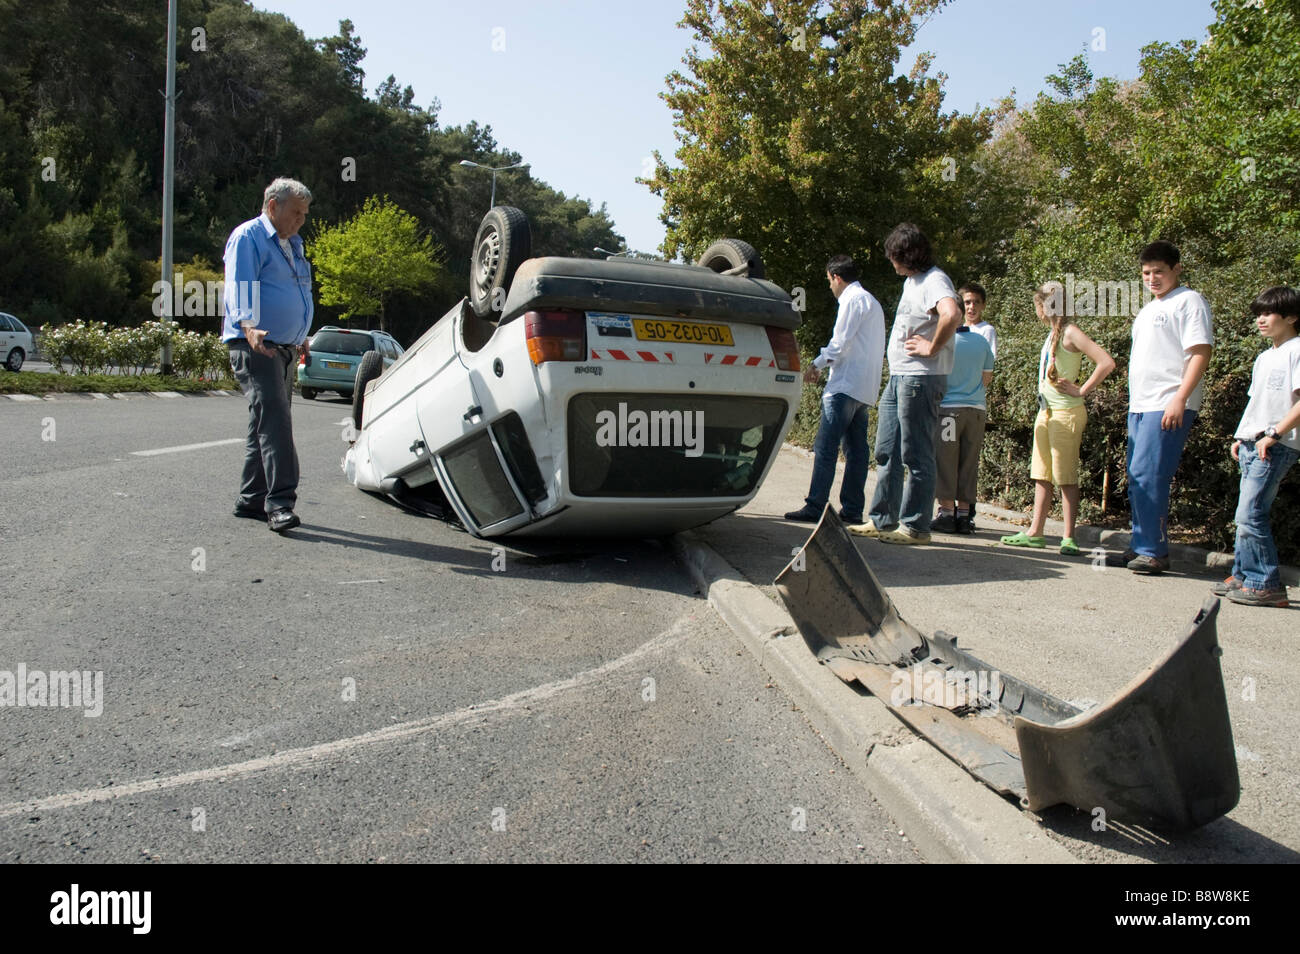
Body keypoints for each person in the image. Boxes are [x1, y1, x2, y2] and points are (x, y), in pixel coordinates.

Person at [852, 223, 961, 544]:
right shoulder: (914, 281)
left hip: (920, 379)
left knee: (916, 454)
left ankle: (915, 527)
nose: (890, 262)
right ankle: (882, 519)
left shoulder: (935, 280)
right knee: (887, 450)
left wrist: (932, 347)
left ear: (908, 255)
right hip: (901, 377)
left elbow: (951, 314)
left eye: (893, 257)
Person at [222, 177, 314, 533]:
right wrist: (248, 324)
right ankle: (279, 504)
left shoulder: (293, 243)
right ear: (273, 206)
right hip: (255, 344)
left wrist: (300, 334)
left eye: (305, 214)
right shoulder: (249, 237)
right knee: (275, 420)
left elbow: (297, 289)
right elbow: (239, 286)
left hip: (284, 347)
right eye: (296, 213)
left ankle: (251, 498)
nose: (301, 220)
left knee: (264, 420)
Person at [1000, 284, 1115, 554]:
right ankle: (1035, 532)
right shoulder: (1052, 334)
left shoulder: (1070, 332)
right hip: (1046, 412)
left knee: (1065, 476)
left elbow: (1106, 362)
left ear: (1043, 306)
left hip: (1066, 413)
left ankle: (1068, 536)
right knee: (1042, 474)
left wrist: (1082, 390)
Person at [1123, 240, 1213, 573]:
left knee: (1150, 476)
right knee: (1136, 476)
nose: (1152, 278)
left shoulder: (1189, 301)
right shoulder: (1147, 310)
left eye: (1159, 271)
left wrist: (1179, 398)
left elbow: (1200, 352)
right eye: (1146, 273)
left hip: (1168, 402)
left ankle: (1154, 551)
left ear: (1177, 269)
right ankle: (1140, 545)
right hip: (1142, 405)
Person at [1213, 286, 1300, 607]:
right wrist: (1241, 435)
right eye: (1258, 314)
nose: (1261, 320)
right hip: (1253, 443)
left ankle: (1267, 583)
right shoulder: (1265, 357)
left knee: (1252, 513)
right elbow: (1257, 404)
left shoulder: (1297, 350)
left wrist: (1273, 434)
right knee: (1245, 514)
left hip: (1275, 444)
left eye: (1268, 314)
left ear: (1291, 316)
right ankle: (1244, 575)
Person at [785, 255, 886, 525]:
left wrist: (816, 365)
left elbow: (839, 344)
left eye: (829, 281)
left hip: (844, 385)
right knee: (856, 451)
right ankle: (852, 509)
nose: (830, 287)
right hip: (864, 388)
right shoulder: (873, 303)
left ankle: (815, 505)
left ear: (836, 277)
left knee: (826, 448)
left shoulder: (851, 300)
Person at [931, 325, 994, 534]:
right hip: (976, 411)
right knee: (969, 462)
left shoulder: (945, 341)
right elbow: (987, 376)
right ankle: (965, 516)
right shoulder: (982, 342)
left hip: (949, 410)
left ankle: (947, 512)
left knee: (946, 460)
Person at [960, 282, 997, 357]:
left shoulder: (986, 330)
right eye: (967, 302)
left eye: (976, 302)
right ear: (960, 305)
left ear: (983, 305)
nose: (972, 307)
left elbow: (989, 360)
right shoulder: (957, 330)